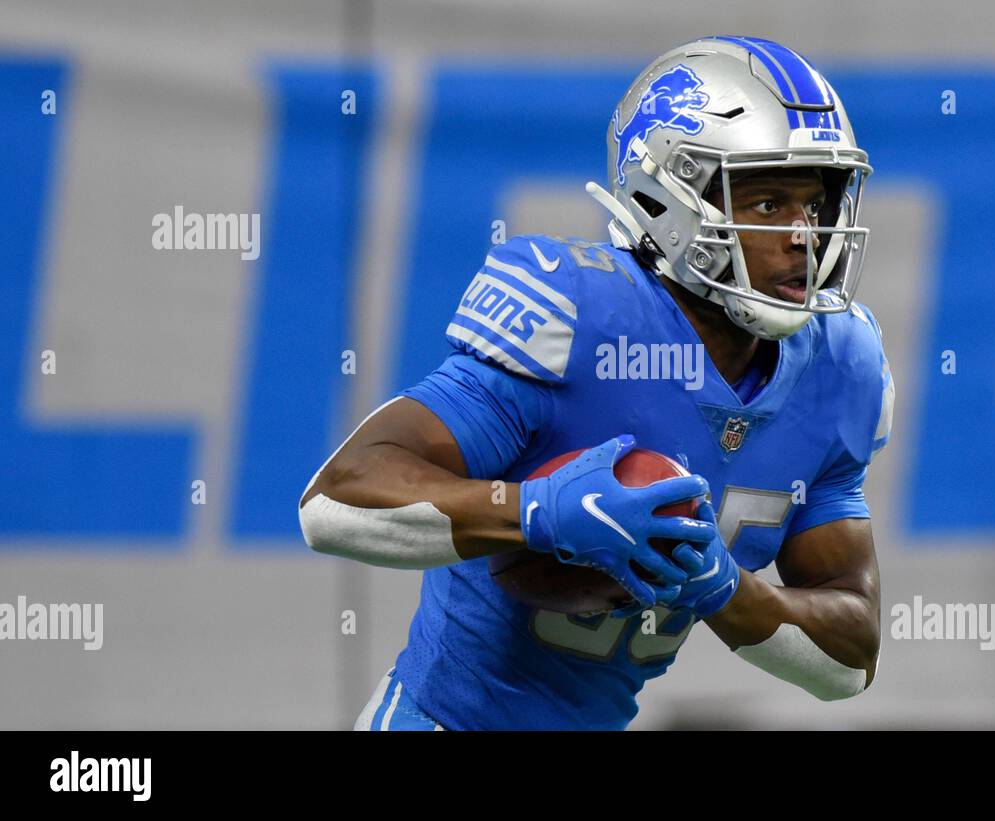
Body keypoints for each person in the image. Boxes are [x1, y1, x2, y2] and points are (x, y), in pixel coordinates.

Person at [298, 35, 895, 730]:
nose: (805, 235)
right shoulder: (582, 317)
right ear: (666, 200)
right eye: (766, 203)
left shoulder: (840, 365)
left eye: (814, 205)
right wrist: (536, 511)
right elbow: (333, 498)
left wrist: (726, 590)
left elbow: (851, 656)